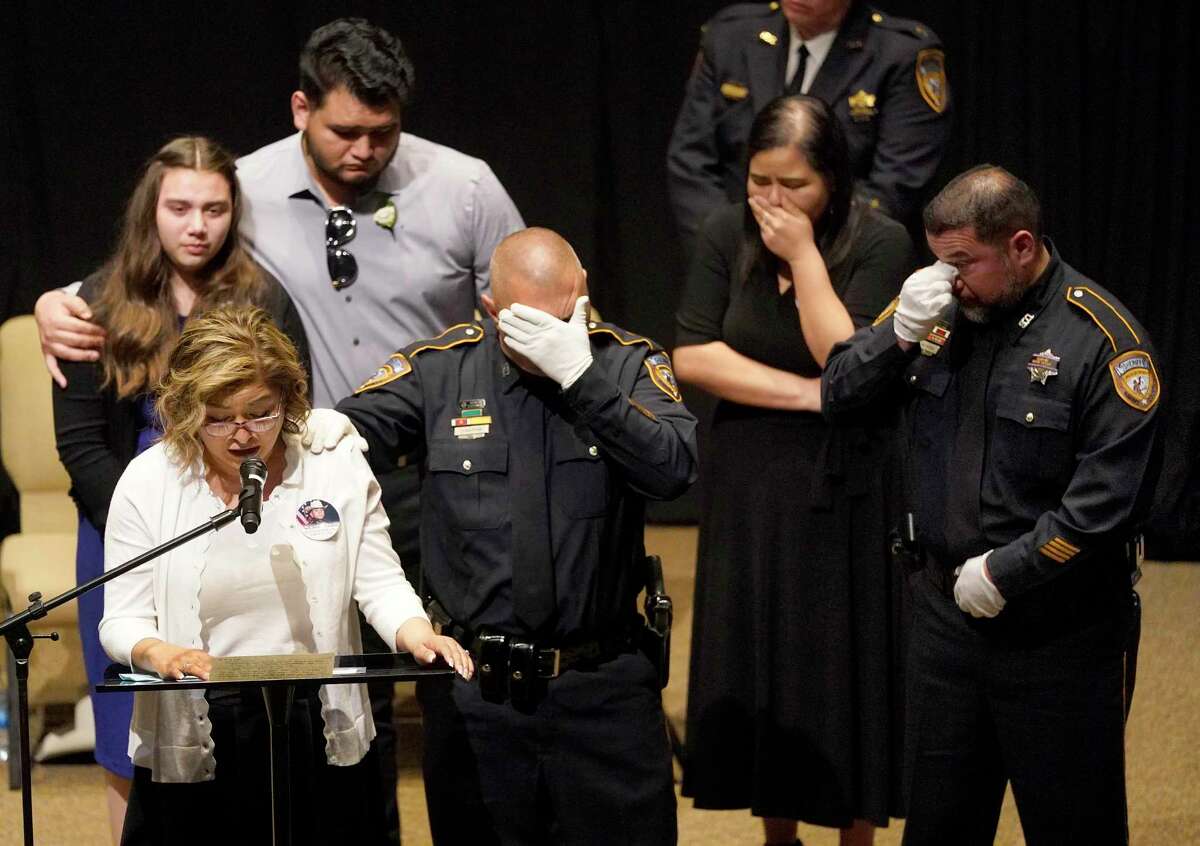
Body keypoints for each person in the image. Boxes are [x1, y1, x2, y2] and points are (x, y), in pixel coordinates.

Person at [35, 20, 524, 837]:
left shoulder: (462, 187)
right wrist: (54, 303)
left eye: (383, 132)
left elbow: (525, 286)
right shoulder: (246, 187)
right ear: (301, 110)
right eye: (344, 131)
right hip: (194, 502)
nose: (365, 149)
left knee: (368, 687)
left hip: (382, 475)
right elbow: (142, 258)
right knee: (178, 736)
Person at [821, 165, 1160, 844]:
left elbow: (1105, 505)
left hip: (1058, 629)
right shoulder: (937, 310)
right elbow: (839, 395)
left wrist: (1008, 570)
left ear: (1022, 247)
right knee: (941, 826)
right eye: (938, 259)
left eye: (964, 262)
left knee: (1073, 824)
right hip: (944, 624)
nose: (948, 280)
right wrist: (897, 334)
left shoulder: (1103, 342)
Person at [330, 227, 697, 844]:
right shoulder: (440, 371)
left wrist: (582, 377)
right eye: (532, 324)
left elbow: (673, 471)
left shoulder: (625, 362)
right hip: (478, 689)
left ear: (581, 294)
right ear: (491, 309)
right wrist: (322, 430)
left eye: (564, 318)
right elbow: (350, 431)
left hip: (601, 686)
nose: (552, 336)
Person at [98, 305, 472, 846]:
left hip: (313, 717)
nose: (243, 434)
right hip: (203, 712)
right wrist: (162, 654)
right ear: (186, 410)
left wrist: (415, 632)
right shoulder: (151, 479)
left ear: (289, 402)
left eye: (261, 412)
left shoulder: (331, 462)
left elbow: (379, 580)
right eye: (219, 416)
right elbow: (121, 621)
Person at [49, 135, 310, 845]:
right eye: (180, 207)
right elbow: (80, 446)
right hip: (125, 533)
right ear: (151, 211)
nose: (198, 225)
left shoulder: (262, 298)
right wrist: (149, 533)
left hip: (239, 521)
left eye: (215, 208)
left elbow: (296, 412)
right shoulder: (97, 303)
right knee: (129, 736)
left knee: (234, 720)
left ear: (233, 212)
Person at [673, 94, 915, 846]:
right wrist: (816, 400)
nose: (772, 202)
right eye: (759, 182)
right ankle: (778, 834)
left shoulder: (881, 243)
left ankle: (854, 832)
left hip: (845, 481)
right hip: (750, 479)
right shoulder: (723, 230)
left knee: (840, 658)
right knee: (758, 656)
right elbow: (693, 355)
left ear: (834, 182)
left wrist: (807, 258)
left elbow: (843, 355)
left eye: (794, 185)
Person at [667, 0, 951, 257]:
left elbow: (895, 186)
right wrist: (729, 247)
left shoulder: (900, 52)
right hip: (734, 256)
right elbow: (691, 160)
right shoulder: (731, 35)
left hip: (845, 260)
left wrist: (801, 253)